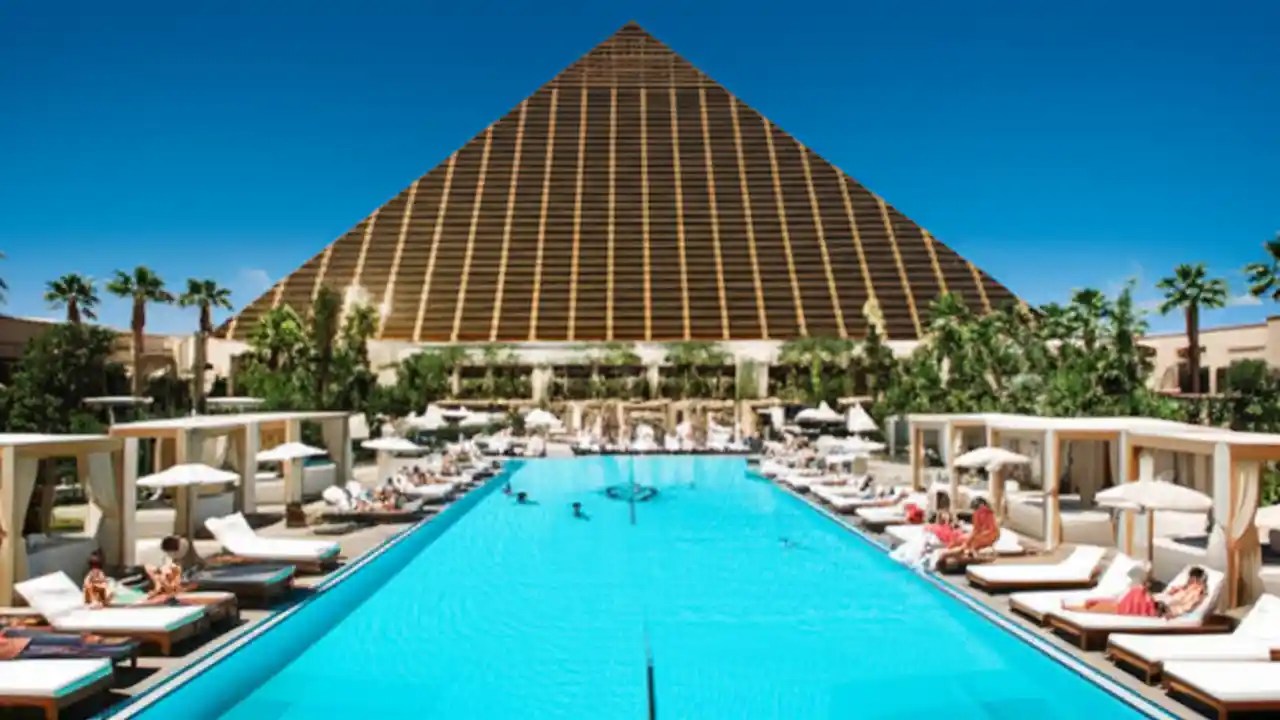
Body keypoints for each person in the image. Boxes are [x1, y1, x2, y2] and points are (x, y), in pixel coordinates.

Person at [1064, 566, 1209, 618]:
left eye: (1194, 578)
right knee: (1117, 604)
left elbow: (1182, 607)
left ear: (1198, 580)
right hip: (1155, 603)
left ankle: (1076, 609)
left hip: (1160, 609)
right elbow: (1167, 596)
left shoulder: (1196, 593)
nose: (1191, 580)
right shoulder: (1183, 588)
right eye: (1191, 577)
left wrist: (1162, 601)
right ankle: (1078, 608)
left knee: (1121, 604)